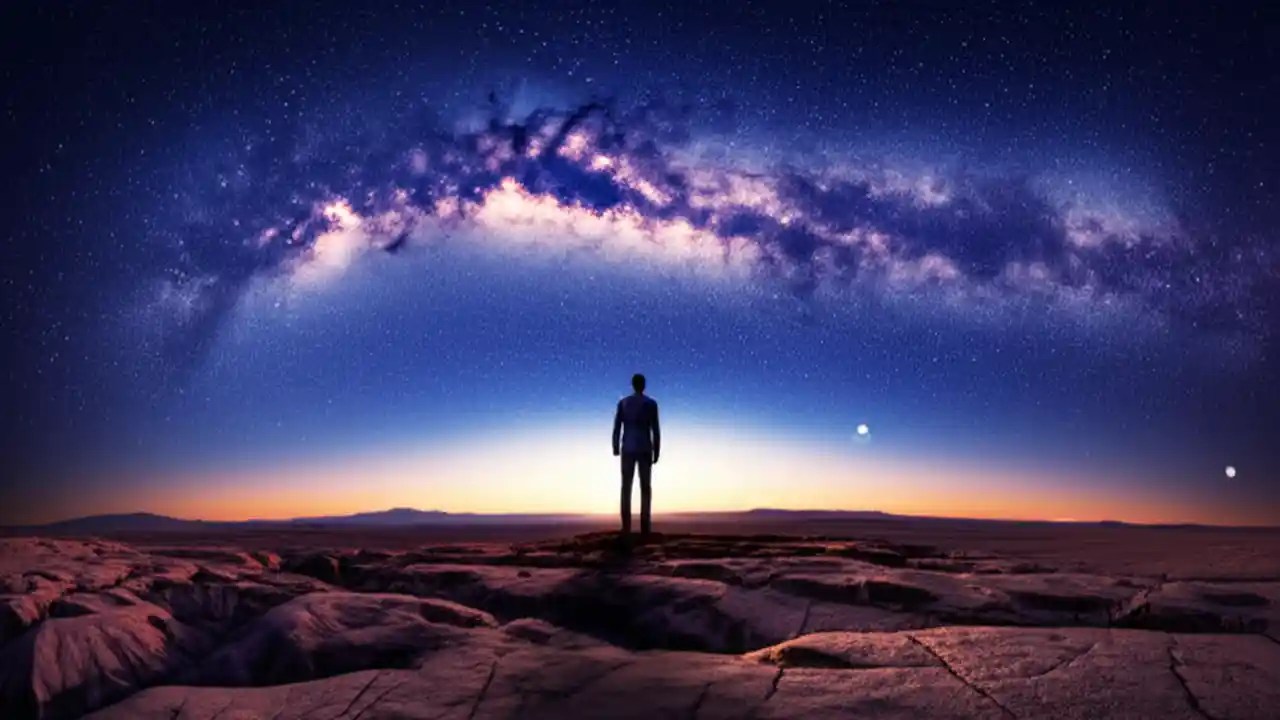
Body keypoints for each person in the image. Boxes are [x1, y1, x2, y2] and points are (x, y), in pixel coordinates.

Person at [612, 373, 660, 536]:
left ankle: (626, 527)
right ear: (644, 385)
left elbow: (617, 427)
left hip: (628, 448)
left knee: (626, 487)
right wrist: (657, 449)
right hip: (645, 448)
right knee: (645, 487)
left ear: (632, 385)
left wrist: (615, 447)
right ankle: (645, 527)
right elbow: (655, 429)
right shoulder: (651, 403)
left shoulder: (623, 403)